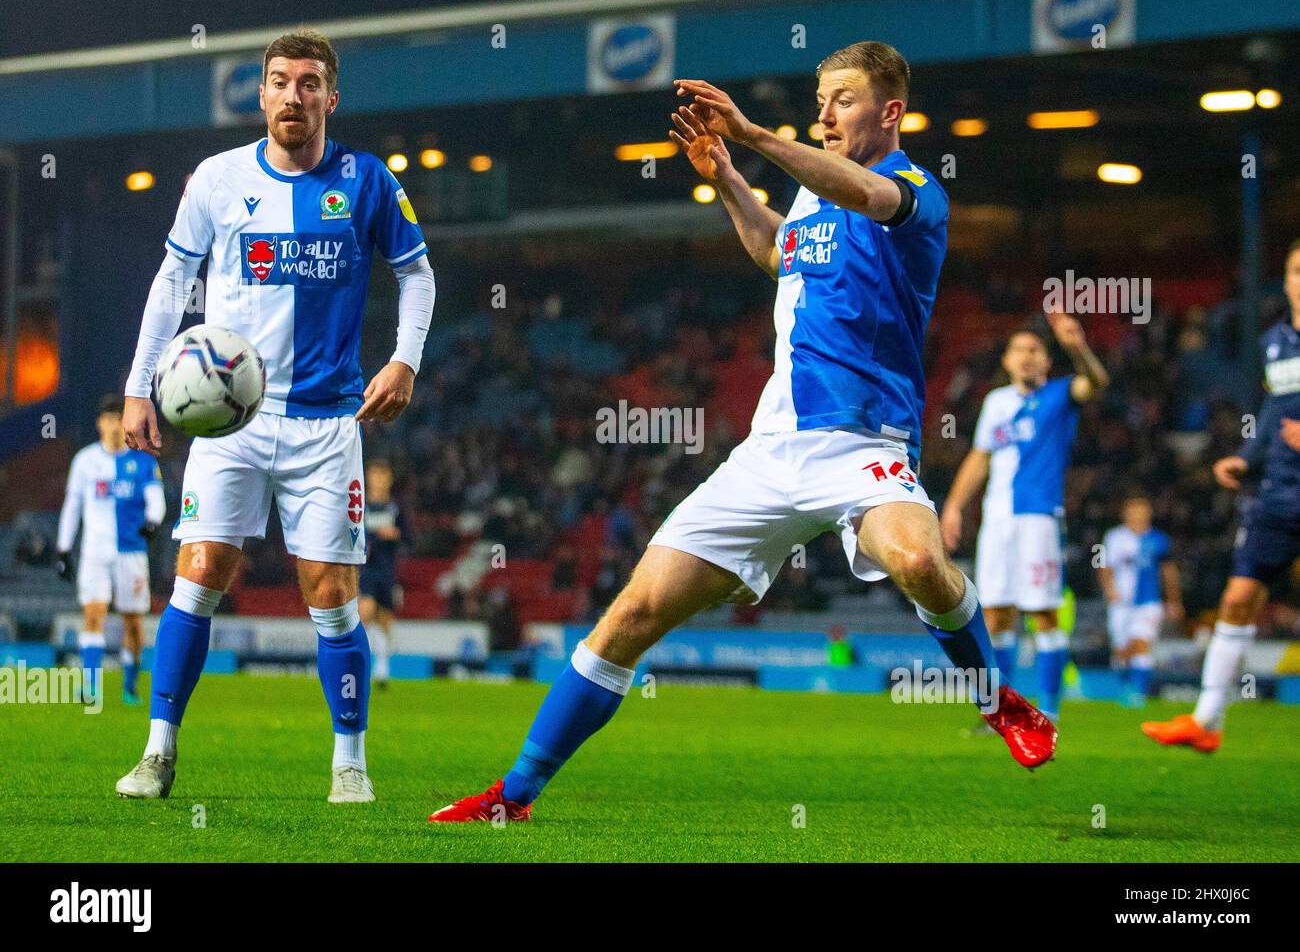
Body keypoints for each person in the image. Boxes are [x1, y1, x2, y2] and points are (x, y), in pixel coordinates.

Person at [431, 41, 1056, 824]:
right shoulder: (807, 199)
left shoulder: (916, 193)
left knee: (920, 562)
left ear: (890, 111)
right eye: (821, 97)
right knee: (631, 615)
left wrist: (756, 137)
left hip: (863, 444)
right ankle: (511, 798)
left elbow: (867, 194)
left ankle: (998, 701)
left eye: (845, 98)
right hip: (770, 451)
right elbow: (775, 253)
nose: (825, 112)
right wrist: (728, 179)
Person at [113, 29, 435, 803]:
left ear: (331, 97)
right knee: (197, 576)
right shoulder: (217, 181)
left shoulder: (367, 180)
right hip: (230, 422)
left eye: (310, 83)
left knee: (329, 595)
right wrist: (137, 383)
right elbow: (171, 281)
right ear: (260, 95)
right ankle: (158, 753)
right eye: (280, 82)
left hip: (327, 424)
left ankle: (348, 762)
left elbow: (417, 276)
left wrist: (405, 359)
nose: (294, 95)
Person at [1144, 239, 1300, 752]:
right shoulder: (1277, 340)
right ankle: (1206, 720)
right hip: (1279, 492)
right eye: (1297, 270)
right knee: (1237, 599)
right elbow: (1276, 410)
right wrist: (1247, 456)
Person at [941, 318, 1109, 721]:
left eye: (1035, 350)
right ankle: (1004, 712)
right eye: (1019, 350)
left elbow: (1097, 383)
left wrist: (1079, 348)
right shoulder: (996, 402)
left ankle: (1049, 709)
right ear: (1007, 360)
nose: (1027, 357)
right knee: (996, 612)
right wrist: (953, 505)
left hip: (1038, 517)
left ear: (1047, 361)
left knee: (1042, 612)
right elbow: (980, 457)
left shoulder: (1060, 393)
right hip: (997, 519)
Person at [56, 394, 166, 705]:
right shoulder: (85, 461)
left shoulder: (143, 460)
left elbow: (156, 498)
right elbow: (72, 505)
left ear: (125, 423)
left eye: (119, 420)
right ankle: (90, 687)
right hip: (95, 552)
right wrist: (64, 549)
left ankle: (129, 687)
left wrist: (153, 522)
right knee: (93, 616)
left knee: (133, 622)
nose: (114, 426)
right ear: (99, 424)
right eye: (108, 420)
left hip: (131, 551)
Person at [1098, 495, 1181, 707]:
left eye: (1142, 512)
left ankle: (1139, 694)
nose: (1138, 516)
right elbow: (1104, 566)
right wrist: (1109, 589)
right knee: (1121, 651)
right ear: (1125, 515)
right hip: (1121, 603)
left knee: (1141, 643)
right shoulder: (1114, 537)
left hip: (1148, 602)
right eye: (1134, 512)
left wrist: (1174, 601)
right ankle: (1125, 688)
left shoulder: (1158, 539)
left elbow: (1169, 571)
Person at [358, 458, 405, 689]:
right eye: (375, 475)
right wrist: (374, 537)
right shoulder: (360, 505)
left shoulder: (396, 508)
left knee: (384, 620)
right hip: (366, 568)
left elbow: (409, 537)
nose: (378, 480)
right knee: (365, 612)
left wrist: (395, 535)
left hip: (388, 569)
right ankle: (363, 666)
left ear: (389, 479)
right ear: (368, 477)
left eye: (383, 475)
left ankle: (382, 667)